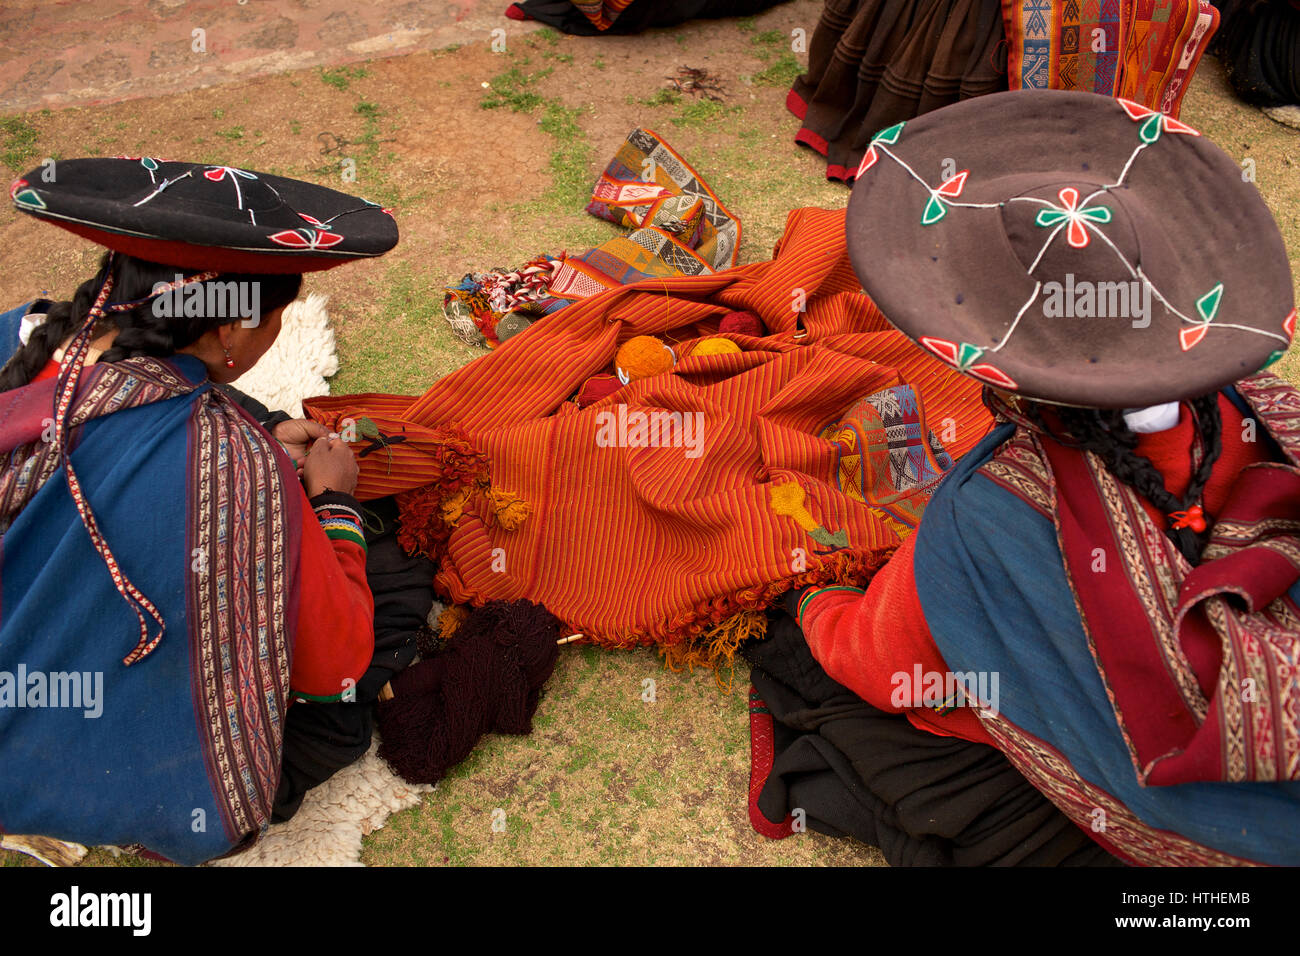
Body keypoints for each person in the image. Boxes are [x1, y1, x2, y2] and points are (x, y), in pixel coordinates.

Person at [756, 89, 1300, 865]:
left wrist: (819, 605)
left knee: (878, 738)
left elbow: (896, 669)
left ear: (1007, 372)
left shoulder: (992, 513)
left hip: (1207, 831)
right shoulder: (1278, 417)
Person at [0, 157, 424, 865]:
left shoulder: (20, 334)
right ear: (229, 331)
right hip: (64, 772)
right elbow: (333, 667)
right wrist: (334, 502)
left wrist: (246, 437)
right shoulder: (240, 471)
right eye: (276, 322)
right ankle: (158, 817)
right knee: (392, 596)